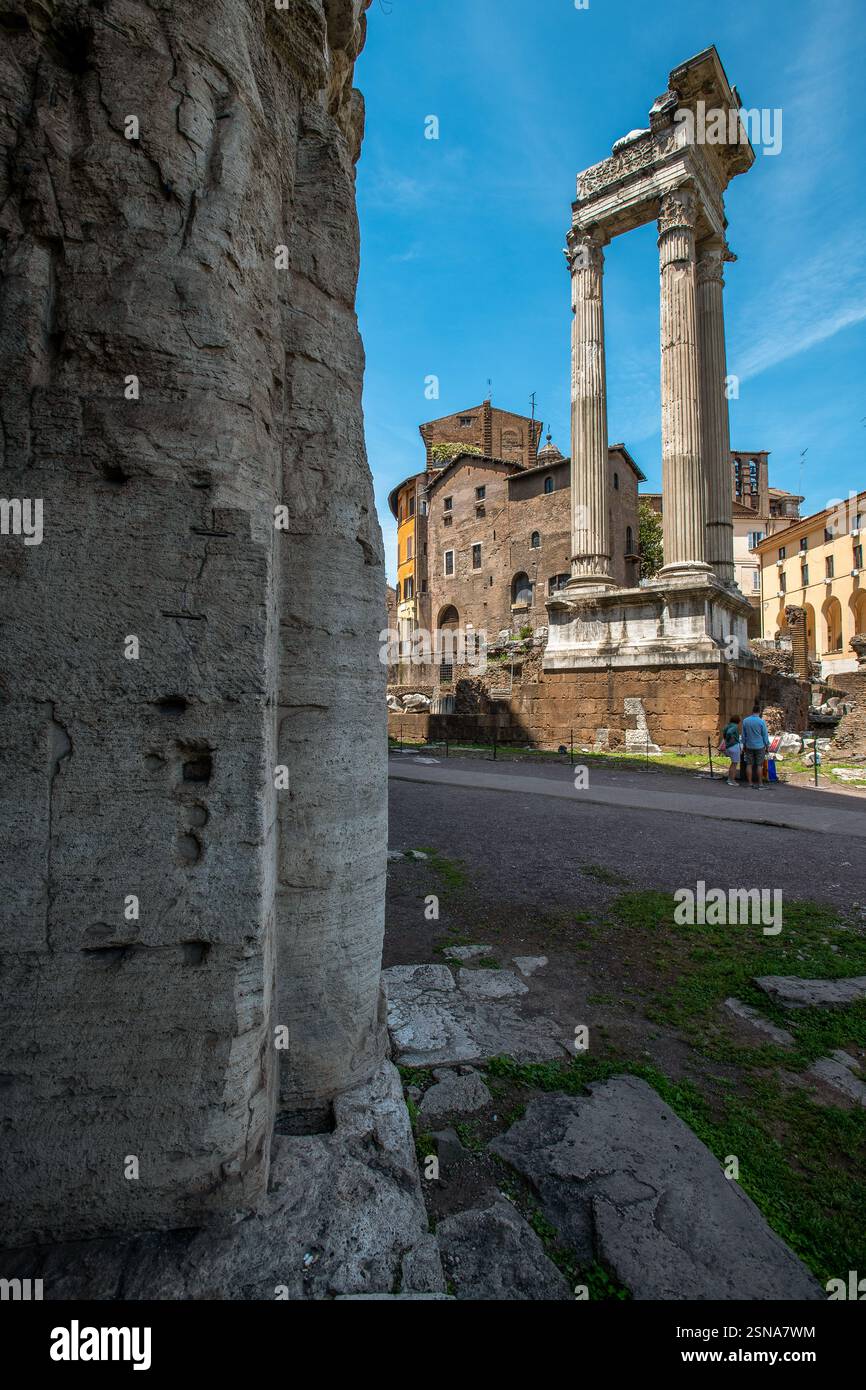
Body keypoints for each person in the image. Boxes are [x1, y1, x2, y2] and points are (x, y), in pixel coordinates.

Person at [741, 702, 770, 788]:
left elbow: (743, 735)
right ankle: (760, 783)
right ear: (759, 712)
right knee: (759, 765)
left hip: (749, 745)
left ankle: (750, 783)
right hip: (760, 746)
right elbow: (764, 735)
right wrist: (767, 745)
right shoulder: (761, 722)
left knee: (749, 764)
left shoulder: (745, 721)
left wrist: (744, 744)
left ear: (752, 711)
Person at [720, 714, 741, 785]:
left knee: (732, 764)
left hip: (728, 746)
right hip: (734, 746)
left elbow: (725, 733)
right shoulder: (734, 726)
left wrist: (727, 739)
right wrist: (731, 739)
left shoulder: (727, 725)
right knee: (734, 764)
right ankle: (732, 780)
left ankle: (729, 779)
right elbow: (729, 733)